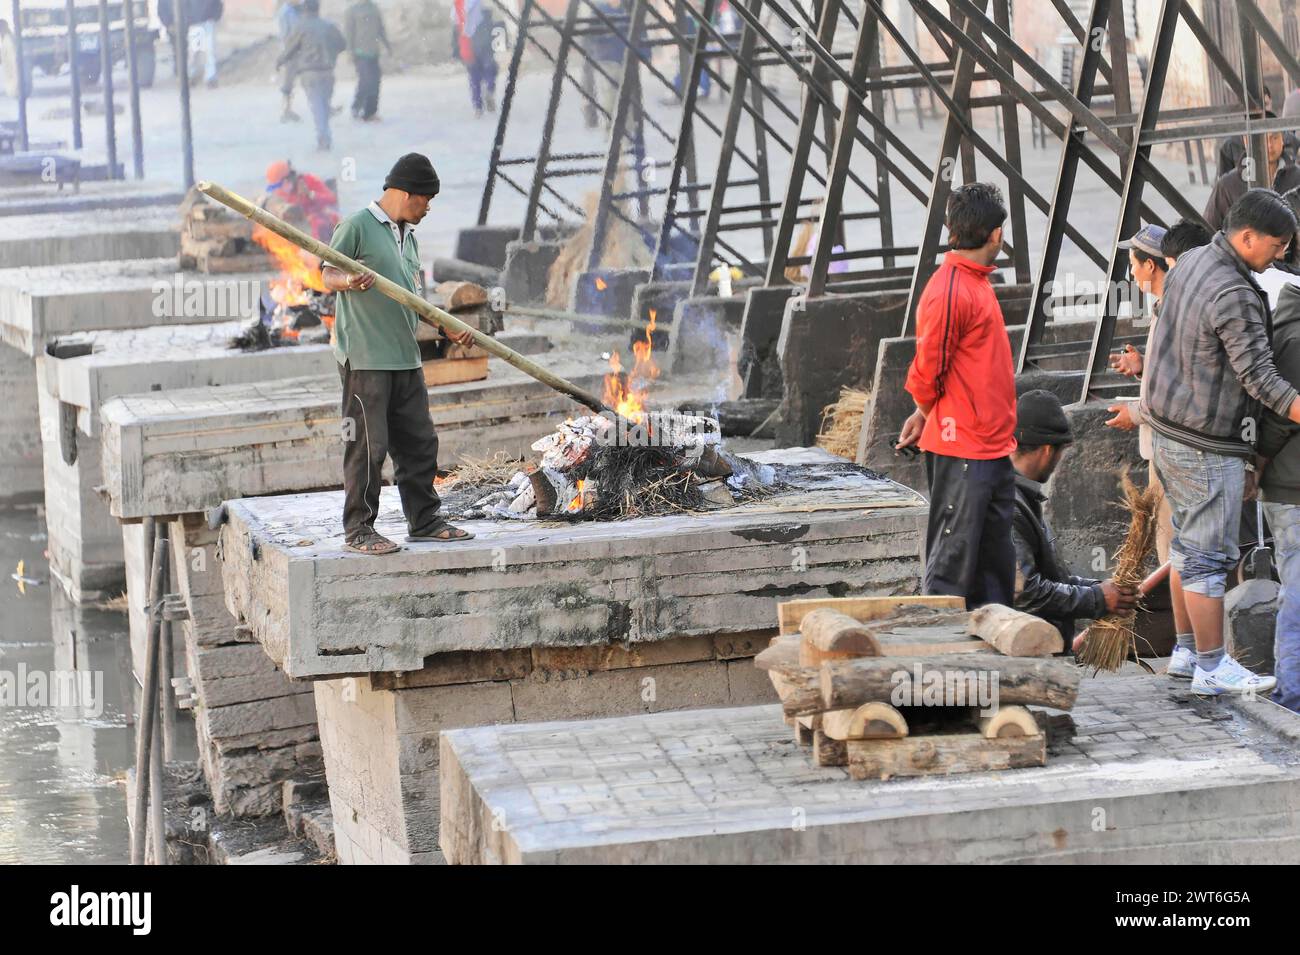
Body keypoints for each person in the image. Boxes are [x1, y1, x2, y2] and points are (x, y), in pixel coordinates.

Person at [1142, 189, 1300, 696]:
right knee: (1209, 557)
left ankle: (1189, 654)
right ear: (1248, 236)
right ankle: (1213, 667)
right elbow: (1260, 377)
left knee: (1189, 548)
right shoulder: (1233, 292)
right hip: (1205, 441)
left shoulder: (1189, 261)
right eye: (1277, 245)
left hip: (1167, 431)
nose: (1280, 256)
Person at [321, 154, 476, 554]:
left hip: (406, 357)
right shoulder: (356, 227)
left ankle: (424, 520)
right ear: (405, 193)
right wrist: (349, 281)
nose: (428, 207)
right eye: (425, 199)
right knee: (368, 447)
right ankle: (359, 530)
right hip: (367, 358)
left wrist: (447, 326)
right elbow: (326, 274)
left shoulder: (408, 237)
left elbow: (415, 300)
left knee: (420, 443)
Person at [896, 183, 1017, 609]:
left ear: (952, 230)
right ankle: (939, 659)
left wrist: (923, 413)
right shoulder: (950, 288)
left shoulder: (972, 282)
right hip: (964, 447)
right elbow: (928, 367)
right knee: (952, 564)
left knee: (994, 563)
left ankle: (997, 659)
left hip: (991, 447)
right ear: (996, 235)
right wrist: (926, 411)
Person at [1102, 220, 1212, 672]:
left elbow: (1185, 392)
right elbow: (1170, 377)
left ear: (1153, 266)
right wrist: (1143, 364)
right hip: (1163, 450)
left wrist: (1136, 411)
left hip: (1174, 449)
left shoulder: (1176, 311)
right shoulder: (1167, 309)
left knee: (1180, 556)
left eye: (1134, 264)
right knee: (1177, 553)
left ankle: (1192, 650)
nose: (1132, 272)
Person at [1011, 390, 1137, 643]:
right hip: (1022, 646)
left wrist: (1098, 588)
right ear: (1048, 450)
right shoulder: (1007, 508)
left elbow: (1052, 580)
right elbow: (1026, 593)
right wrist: (1098, 598)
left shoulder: (1021, 497)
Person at [1259, 271, 1300, 712]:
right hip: (1292, 488)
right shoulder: (1295, 335)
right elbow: (1283, 415)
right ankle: (1291, 695)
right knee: (1298, 592)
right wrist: (1262, 463)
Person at [1204, 112, 1300, 230]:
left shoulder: (1297, 178)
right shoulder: (1227, 186)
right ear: (1246, 140)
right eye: (1263, 138)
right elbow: (1208, 230)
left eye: (1274, 137)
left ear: (1282, 139)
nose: (1270, 145)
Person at [278, 0, 346, 151]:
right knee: (323, 103)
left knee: (317, 106)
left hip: (309, 72)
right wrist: (331, 55)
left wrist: (280, 61)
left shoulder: (300, 27)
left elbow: (290, 49)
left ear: (304, 10)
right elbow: (342, 44)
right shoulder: (329, 26)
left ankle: (324, 138)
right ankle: (325, 134)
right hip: (328, 71)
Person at [264, 160, 339, 242]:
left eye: (276, 186)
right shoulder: (279, 194)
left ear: (286, 181)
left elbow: (332, 199)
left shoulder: (309, 180)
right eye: (273, 188)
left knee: (319, 223)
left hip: (321, 224)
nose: (276, 190)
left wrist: (310, 194)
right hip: (299, 226)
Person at [452, 0, 499, 118]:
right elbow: (493, 32)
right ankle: (489, 89)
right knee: (490, 70)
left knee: (474, 78)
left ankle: (478, 107)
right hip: (483, 46)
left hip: (468, 46)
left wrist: (457, 51)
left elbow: (456, 31)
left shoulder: (458, 10)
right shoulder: (483, 14)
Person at [344, 0, 390, 122]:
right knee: (366, 82)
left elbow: (381, 29)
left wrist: (388, 45)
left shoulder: (375, 8)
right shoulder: (352, 10)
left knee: (375, 81)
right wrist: (350, 52)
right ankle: (359, 108)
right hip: (360, 53)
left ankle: (370, 112)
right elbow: (349, 33)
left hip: (374, 52)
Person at [277, 0, 303, 123]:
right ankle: (285, 111)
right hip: (291, 51)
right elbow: (285, 35)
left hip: (299, 49)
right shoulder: (285, 12)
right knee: (288, 82)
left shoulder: (296, 9)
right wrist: (288, 52)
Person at [188, 0, 223, 88]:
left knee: (210, 51)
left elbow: (218, 3)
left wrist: (215, 17)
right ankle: (191, 74)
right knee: (194, 52)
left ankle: (210, 77)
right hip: (194, 22)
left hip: (208, 21)